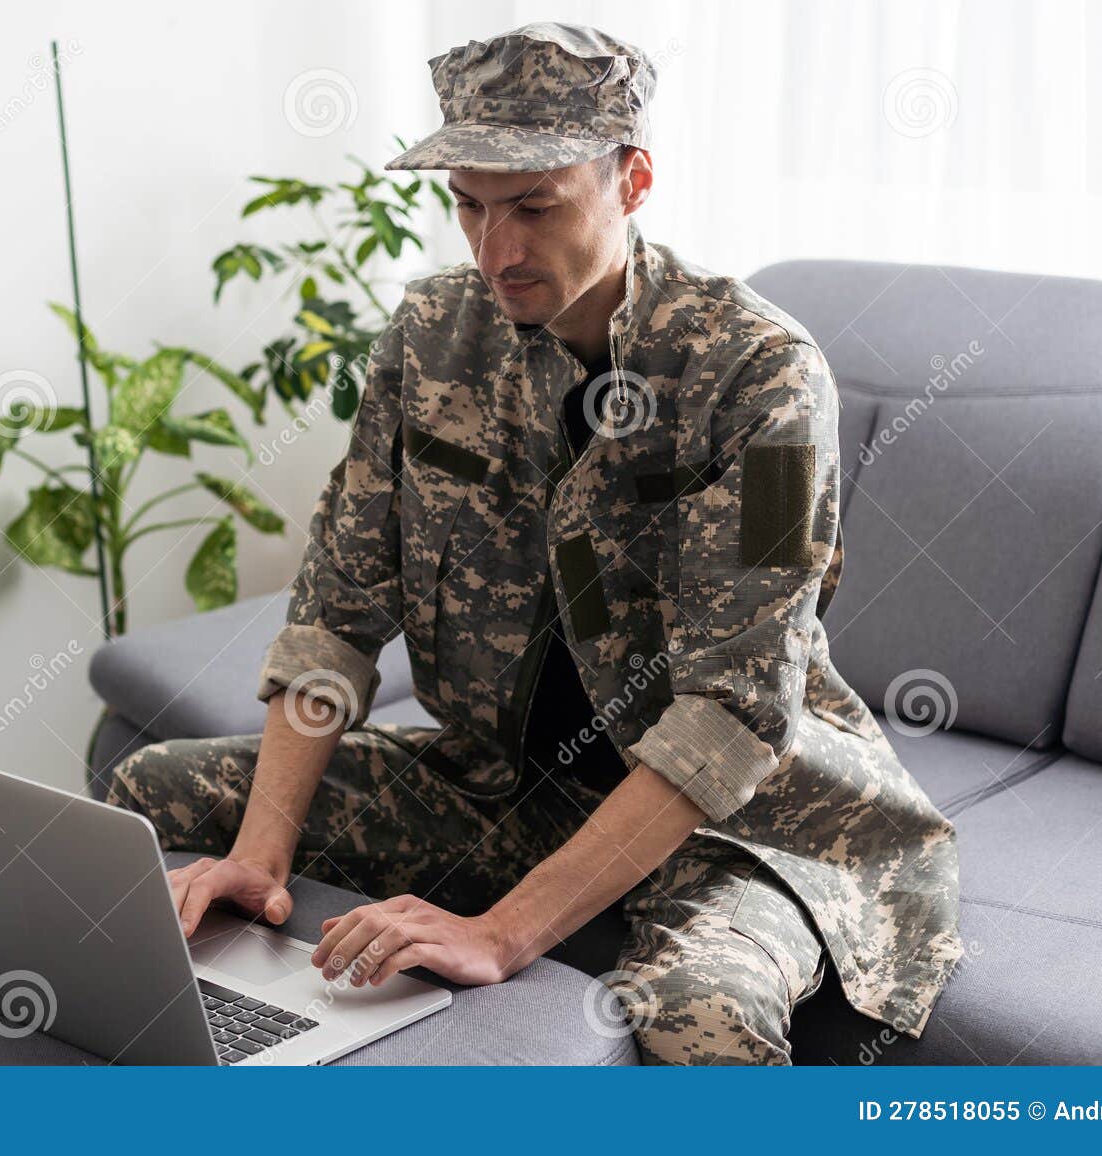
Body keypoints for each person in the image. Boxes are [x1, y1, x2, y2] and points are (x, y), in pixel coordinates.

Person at [107, 21, 963, 1065]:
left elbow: (732, 717)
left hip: (743, 829)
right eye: (467, 204)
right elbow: (335, 615)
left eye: (534, 206)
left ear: (632, 180)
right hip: (502, 790)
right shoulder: (428, 339)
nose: (494, 250)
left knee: (699, 1019)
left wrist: (500, 932)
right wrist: (257, 855)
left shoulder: (763, 376)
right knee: (155, 790)